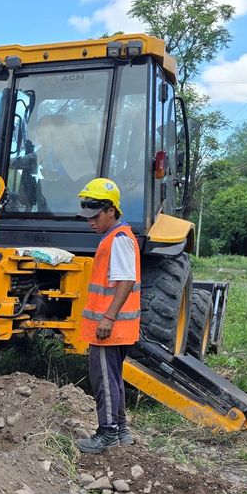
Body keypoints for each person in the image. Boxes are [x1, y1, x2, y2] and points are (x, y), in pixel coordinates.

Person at [75, 178, 141, 454]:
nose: (90, 221)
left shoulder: (119, 240)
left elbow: (125, 280)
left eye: (95, 215)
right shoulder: (114, 238)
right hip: (115, 328)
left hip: (110, 329)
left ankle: (108, 434)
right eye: (87, 216)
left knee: (104, 380)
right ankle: (121, 431)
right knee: (112, 378)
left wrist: (108, 317)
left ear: (111, 210)